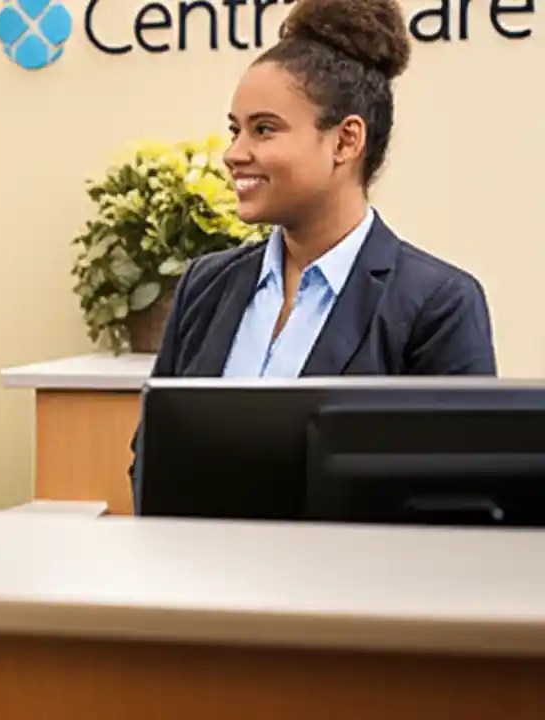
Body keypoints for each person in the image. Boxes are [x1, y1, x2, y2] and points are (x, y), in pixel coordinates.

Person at [131, 0, 496, 499]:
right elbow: (150, 457)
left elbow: (455, 496)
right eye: (235, 129)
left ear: (346, 141)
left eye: (264, 129)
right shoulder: (205, 285)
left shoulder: (437, 305)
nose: (234, 153)